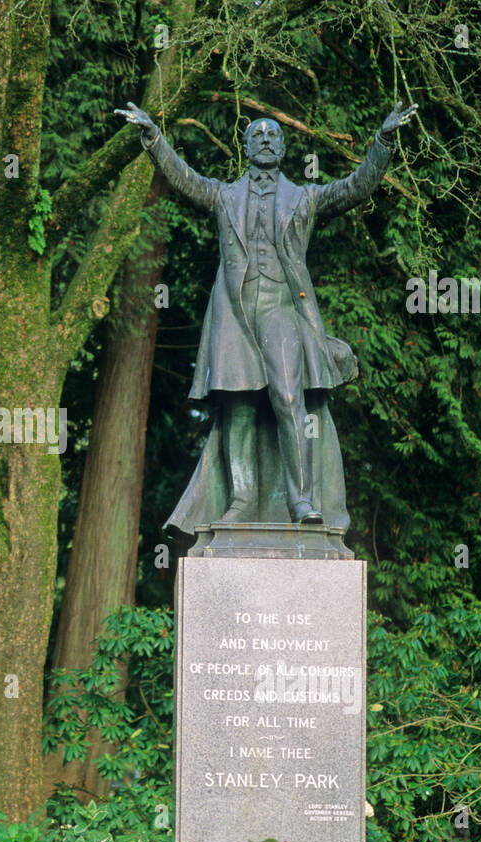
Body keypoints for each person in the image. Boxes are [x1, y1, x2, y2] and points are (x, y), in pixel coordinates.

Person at [115, 100, 418, 533]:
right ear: (244, 146)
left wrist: (383, 142)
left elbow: (354, 187)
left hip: (282, 310)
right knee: (237, 407)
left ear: (283, 148)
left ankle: (300, 499)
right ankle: (241, 500)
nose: (265, 140)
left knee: (290, 399)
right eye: (256, 134)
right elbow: (183, 179)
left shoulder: (305, 198)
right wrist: (153, 139)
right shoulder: (223, 195)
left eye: (273, 135)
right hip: (234, 312)